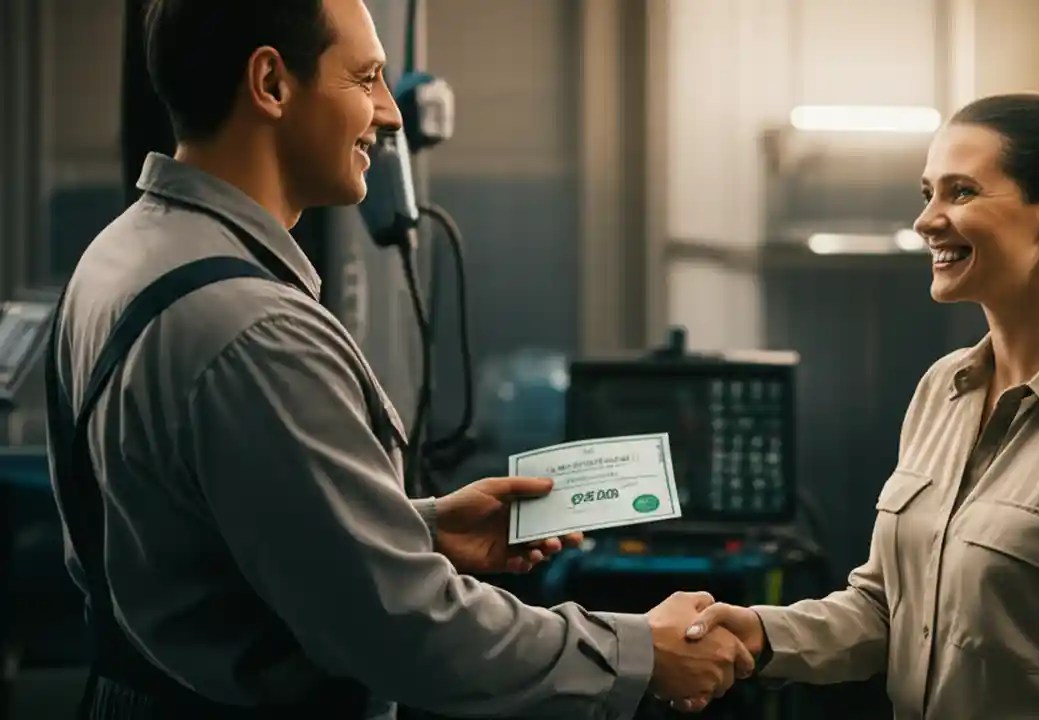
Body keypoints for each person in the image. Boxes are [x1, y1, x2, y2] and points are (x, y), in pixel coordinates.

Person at [46, 0, 752, 717]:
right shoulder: (255, 329)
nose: (389, 114)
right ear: (271, 84)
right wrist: (638, 652)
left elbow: (199, 537)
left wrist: (413, 529)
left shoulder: (121, 255)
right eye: (367, 78)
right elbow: (407, 631)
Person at [681, 93, 1039, 719]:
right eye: (927, 192)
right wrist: (761, 633)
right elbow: (890, 610)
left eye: (961, 192)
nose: (927, 220)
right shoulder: (944, 389)